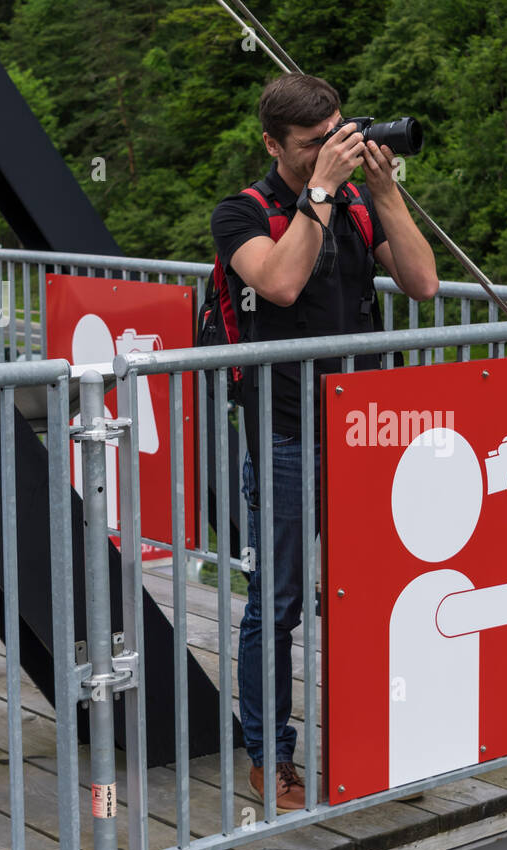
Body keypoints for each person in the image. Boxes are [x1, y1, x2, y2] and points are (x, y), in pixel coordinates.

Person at [210, 74, 438, 812]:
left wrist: (385, 193)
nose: (329, 153)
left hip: (368, 433)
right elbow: (277, 284)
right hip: (284, 433)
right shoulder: (243, 213)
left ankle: (372, 742)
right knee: (274, 605)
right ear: (274, 145)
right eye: (313, 146)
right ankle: (270, 757)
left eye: (336, 135)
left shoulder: (359, 207)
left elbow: (424, 283)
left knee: (373, 596)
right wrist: (318, 197)